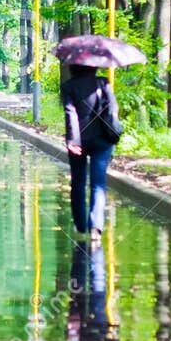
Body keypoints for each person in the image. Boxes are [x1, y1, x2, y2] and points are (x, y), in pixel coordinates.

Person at [62, 63, 120, 243]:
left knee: (78, 182)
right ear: (94, 66)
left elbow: (70, 113)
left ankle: (80, 225)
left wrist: (73, 140)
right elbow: (112, 110)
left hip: (79, 141)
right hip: (103, 140)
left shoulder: (68, 86)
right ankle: (96, 227)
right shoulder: (104, 83)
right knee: (98, 184)